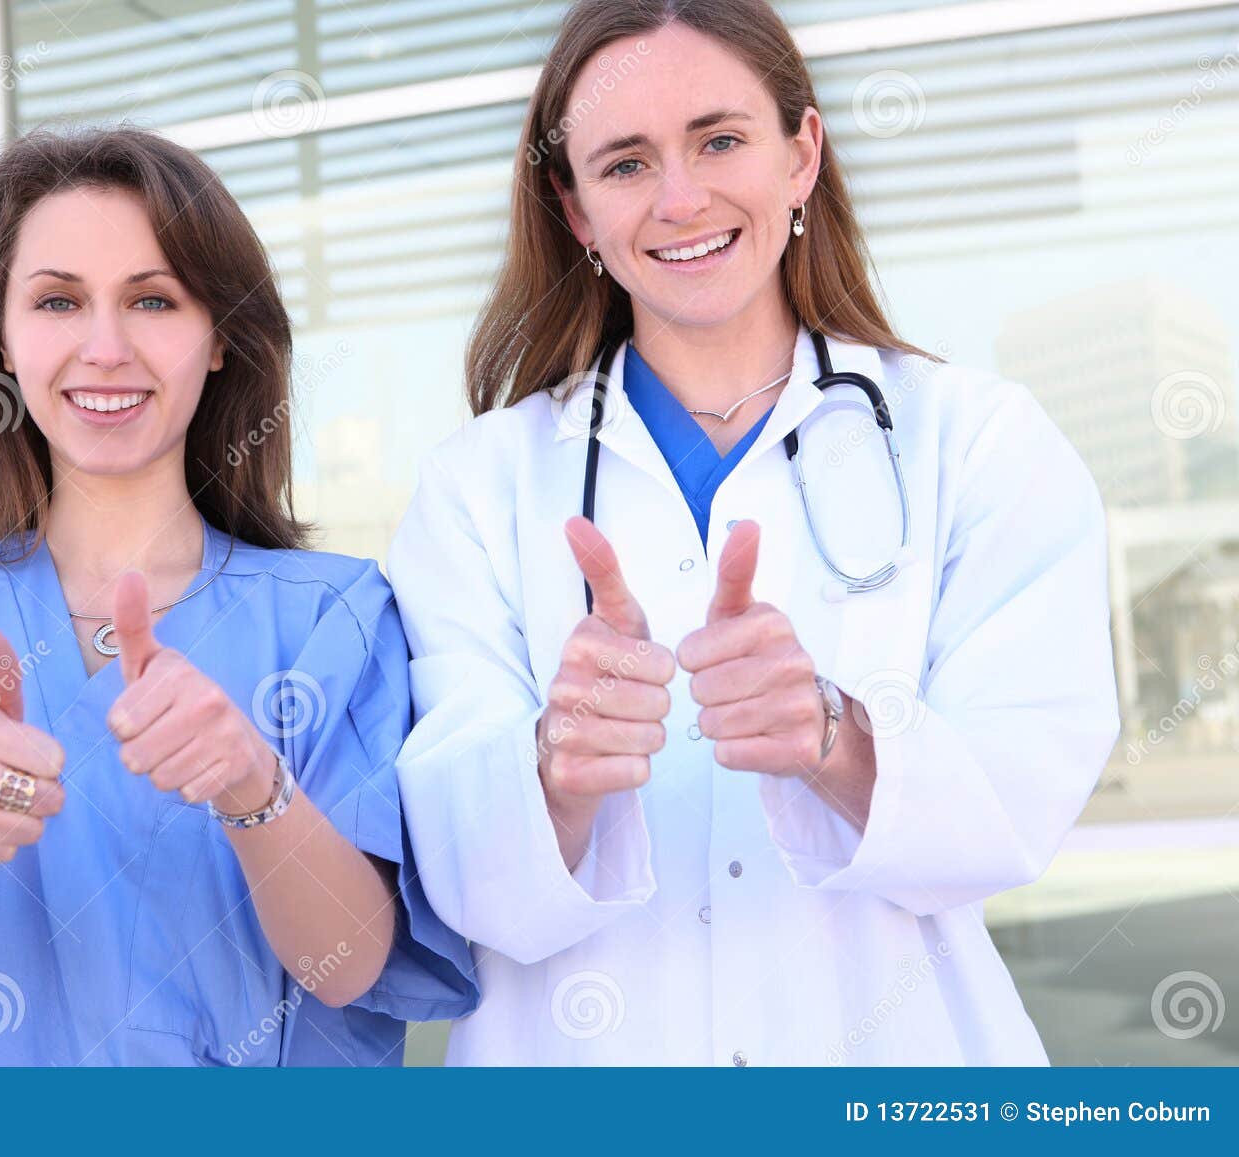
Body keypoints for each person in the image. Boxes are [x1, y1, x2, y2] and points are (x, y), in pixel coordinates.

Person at [388, 0, 1119, 1065]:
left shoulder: (974, 440)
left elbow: (1023, 789)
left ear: (800, 155)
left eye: (720, 139)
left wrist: (836, 735)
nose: (680, 198)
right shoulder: (476, 486)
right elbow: (457, 871)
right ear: (576, 209)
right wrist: (554, 769)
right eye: (626, 163)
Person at [0, 126, 476, 1065]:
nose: (105, 346)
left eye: (152, 299)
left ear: (219, 339)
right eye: (58, 301)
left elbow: (347, 964)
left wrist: (252, 785)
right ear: (3, 347)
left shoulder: (334, 619)